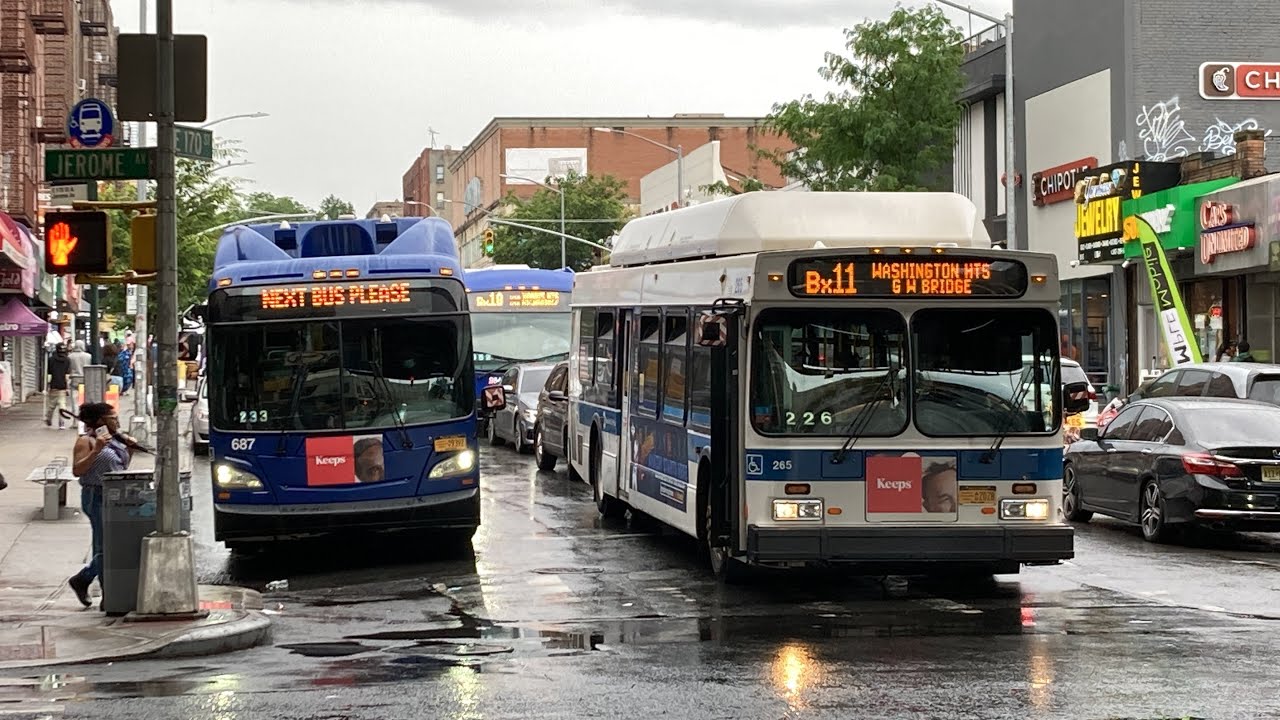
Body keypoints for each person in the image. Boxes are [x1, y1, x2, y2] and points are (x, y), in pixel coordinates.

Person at [67, 402, 132, 608]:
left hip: (115, 495)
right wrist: (95, 451)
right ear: (100, 421)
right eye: (112, 417)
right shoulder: (86, 441)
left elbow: (119, 467)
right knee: (105, 547)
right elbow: (78, 470)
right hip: (96, 495)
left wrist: (130, 448)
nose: (117, 420)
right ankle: (106, 594)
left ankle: (84, 579)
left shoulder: (114, 441)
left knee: (112, 546)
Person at [45, 345, 71, 429]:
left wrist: (47, 385)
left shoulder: (51, 359)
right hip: (63, 385)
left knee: (51, 405)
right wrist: (67, 387)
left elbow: (49, 373)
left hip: (53, 384)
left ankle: (48, 418)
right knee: (62, 405)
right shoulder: (67, 360)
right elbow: (67, 374)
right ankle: (62, 422)